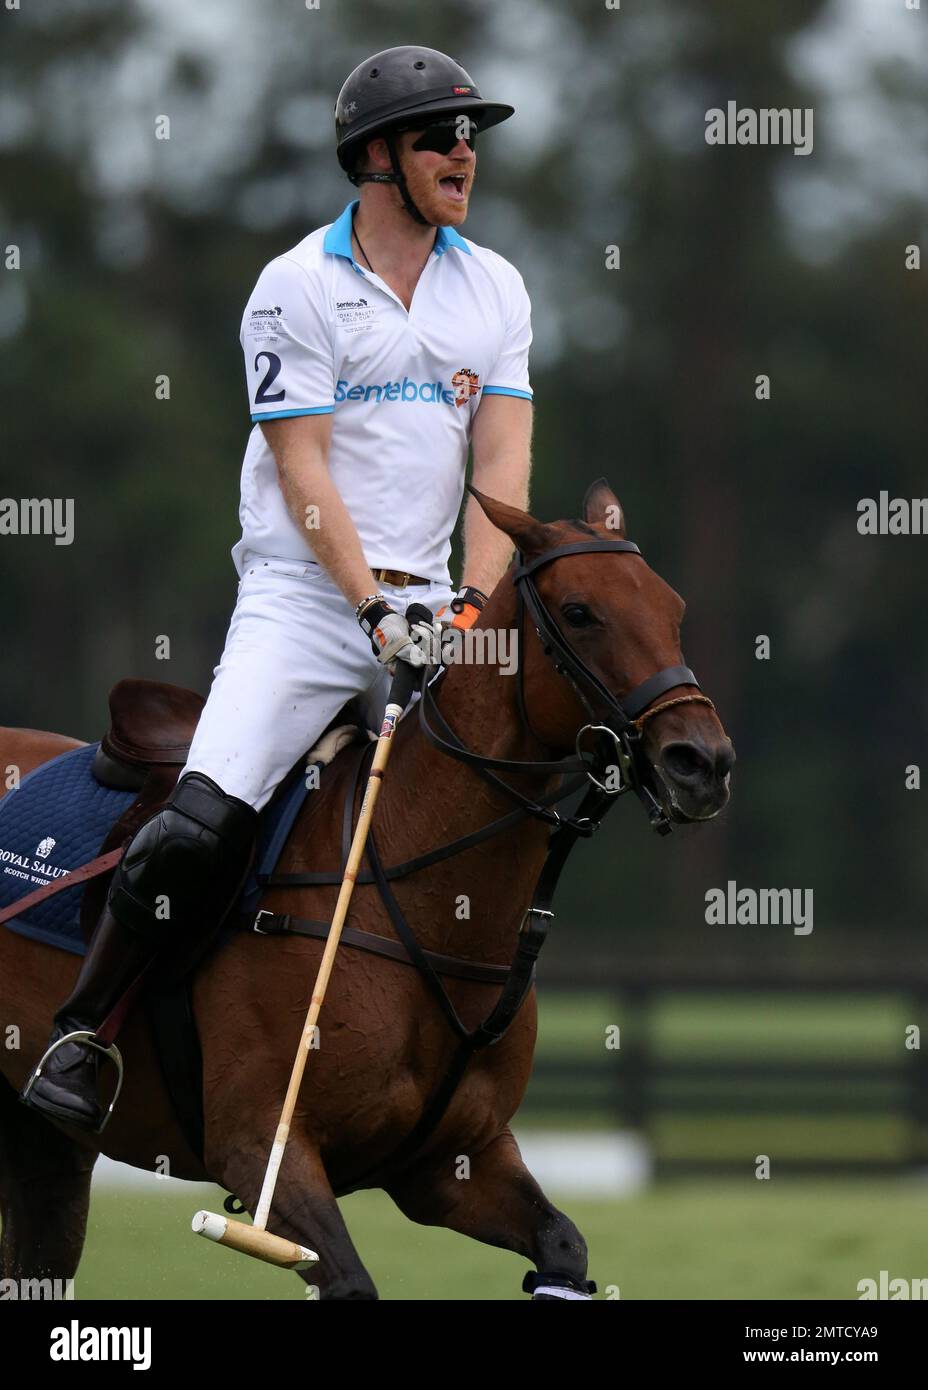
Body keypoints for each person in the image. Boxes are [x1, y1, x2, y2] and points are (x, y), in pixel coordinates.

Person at [22, 44, 534, 1132]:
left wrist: (470, 611)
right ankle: (78, 1038)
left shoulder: (494, 287)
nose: (464, 151)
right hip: (305, 611)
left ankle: (451, 1083)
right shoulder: (297, 285)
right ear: (377, 155)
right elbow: (302, 467)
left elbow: (502, 475)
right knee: (200, 822)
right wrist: (369, 608)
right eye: (441, 135)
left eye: (471, 136)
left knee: (509, 804)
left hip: (441, 614)